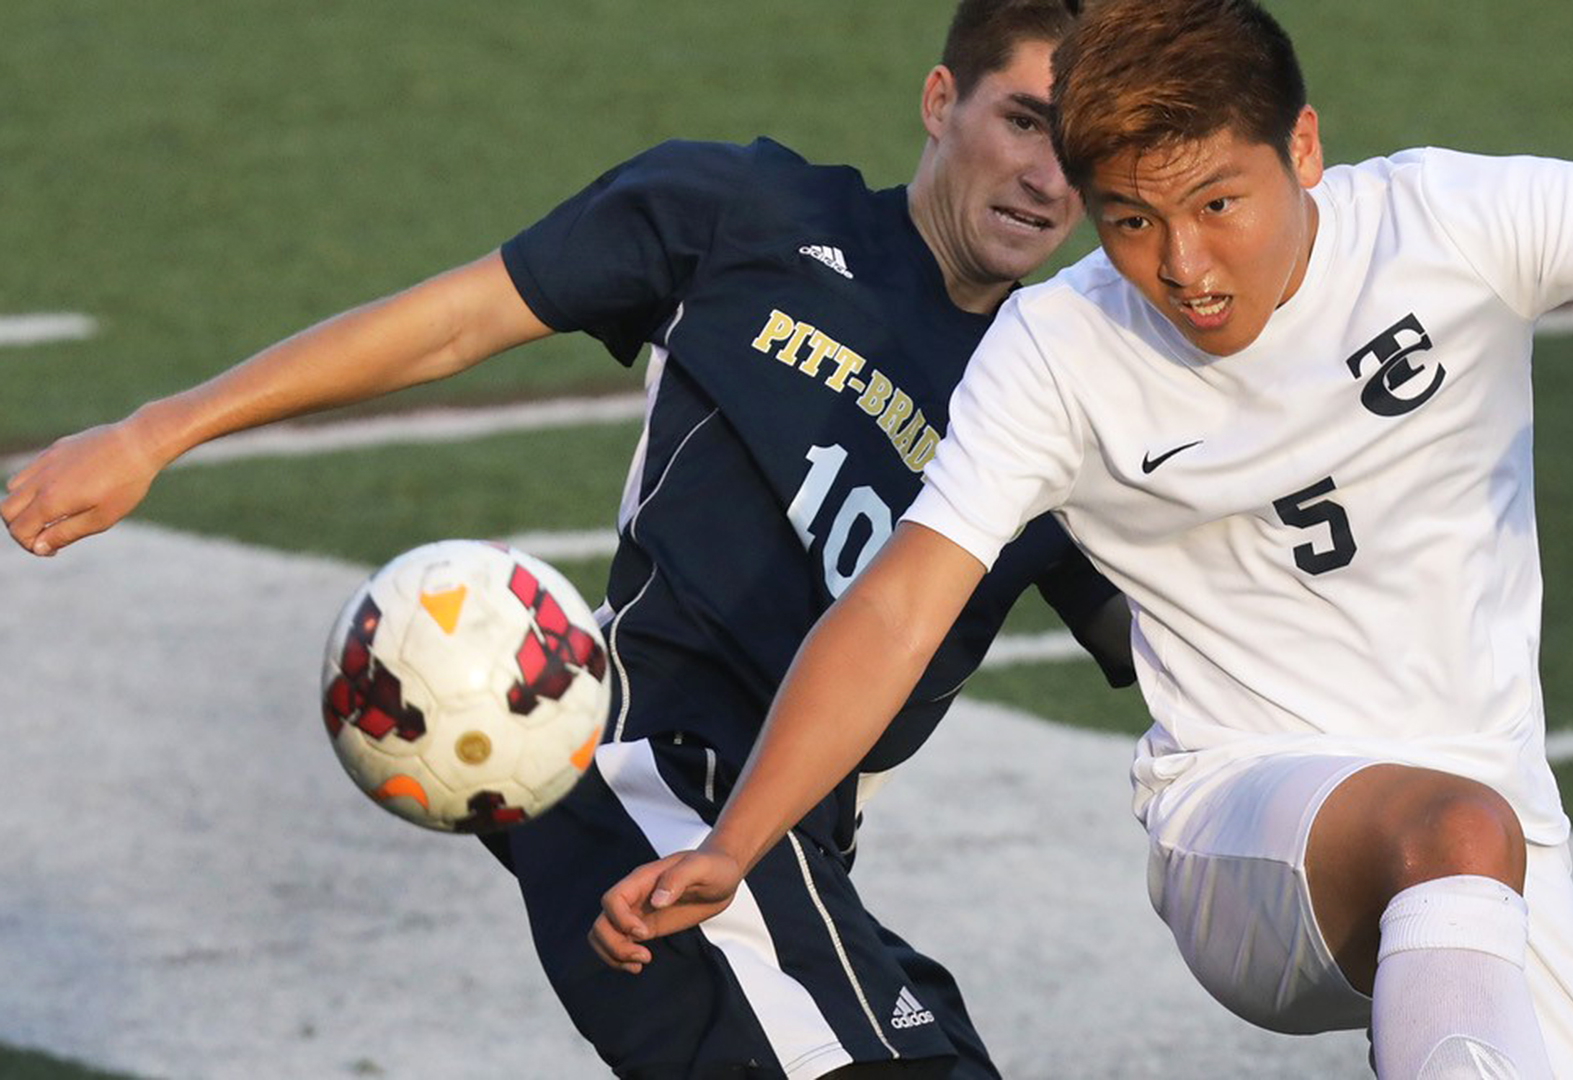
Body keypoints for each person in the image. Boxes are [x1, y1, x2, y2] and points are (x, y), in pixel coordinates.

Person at [589, 0, 1573, 1077]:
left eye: (1216, 202)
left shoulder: (1447, 222)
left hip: (1500, 825)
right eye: (1131, 220)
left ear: (1303, 146)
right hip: (1241, 823)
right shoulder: (1059, 348)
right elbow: (896, 605)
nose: (1184, 265)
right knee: (1457, 826)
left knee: (1475, 843)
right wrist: (733, 844)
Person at [3, 2, 1137, 1077]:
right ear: (940, 101)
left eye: (1079, 148)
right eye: (1023, 121)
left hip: (786, 855)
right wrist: (156, 433)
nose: (1048, 179)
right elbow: (452, 325)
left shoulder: (1067, 401)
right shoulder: (746, 214)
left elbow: (1175, 635)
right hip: (639, 776)